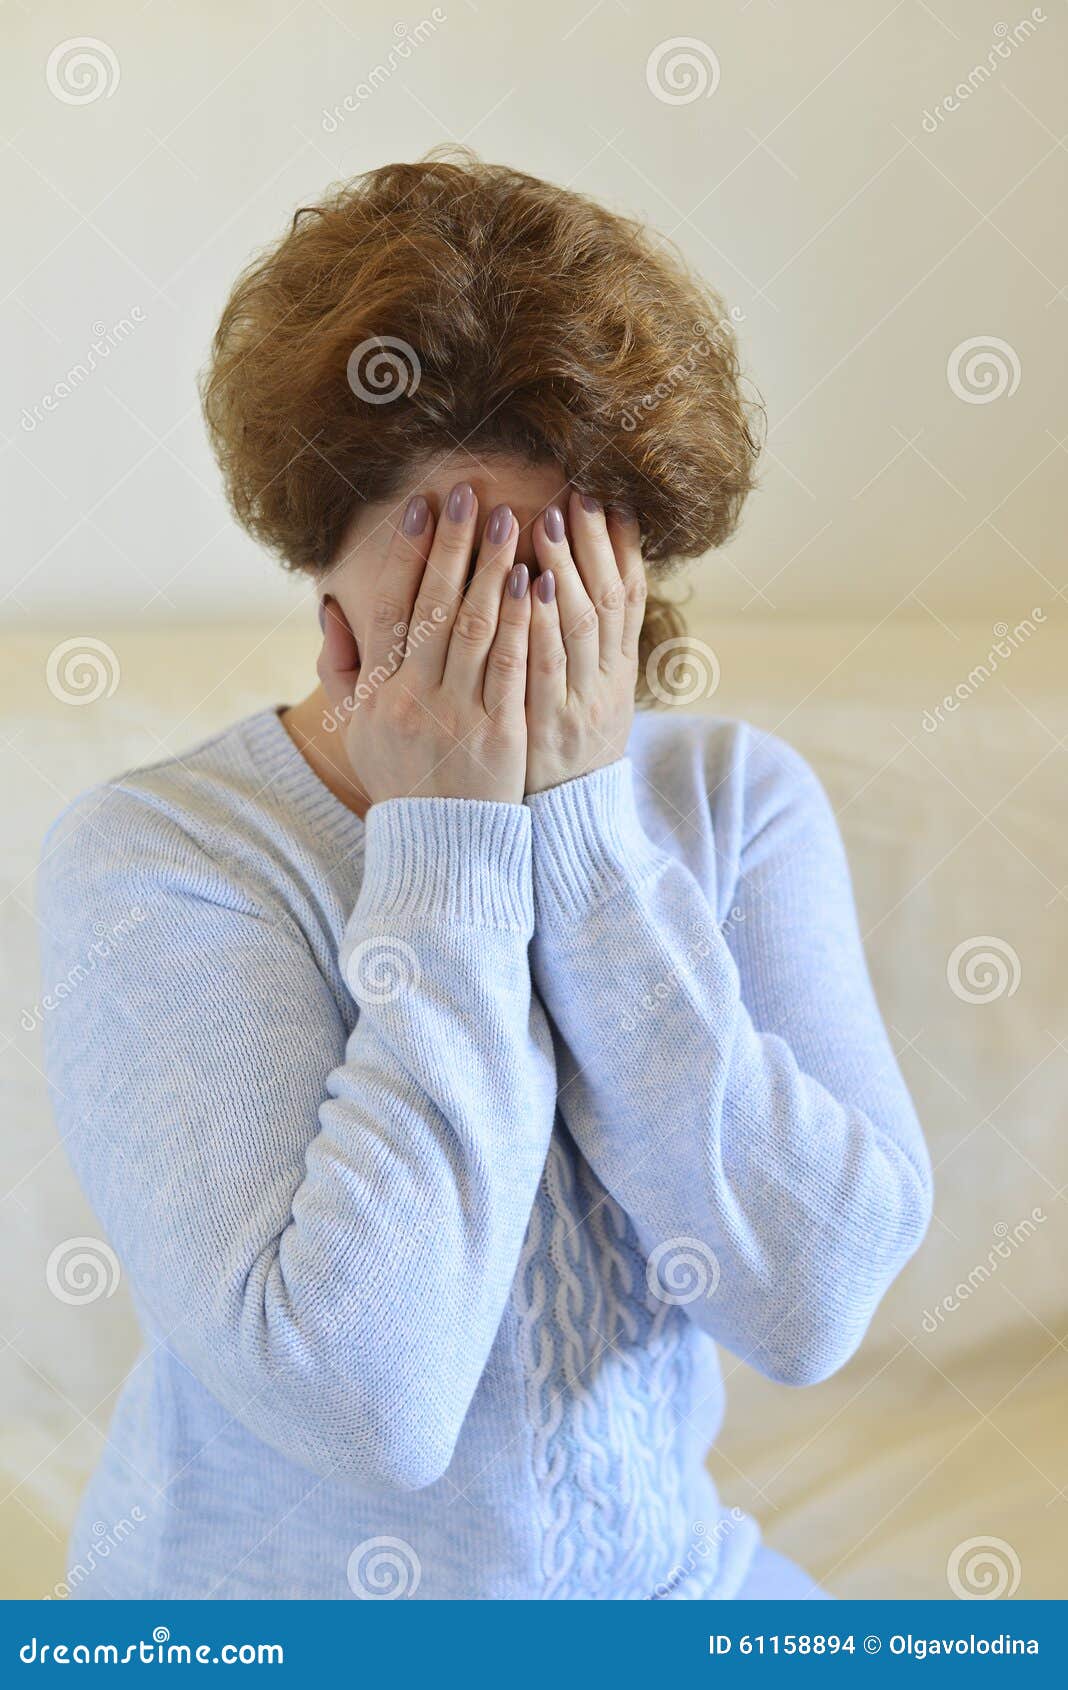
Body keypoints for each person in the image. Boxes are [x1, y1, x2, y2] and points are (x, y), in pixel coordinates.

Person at [38, 150, 931, 1600]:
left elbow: (811, 1298)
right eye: (444, 576)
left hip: (667, 1594)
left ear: (635, 576)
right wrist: (448, 853)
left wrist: (578, 832)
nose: (495, 645)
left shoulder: (735, 803)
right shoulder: (160, 858)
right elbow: (363, 1400)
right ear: (325, 587)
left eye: (546, 578)